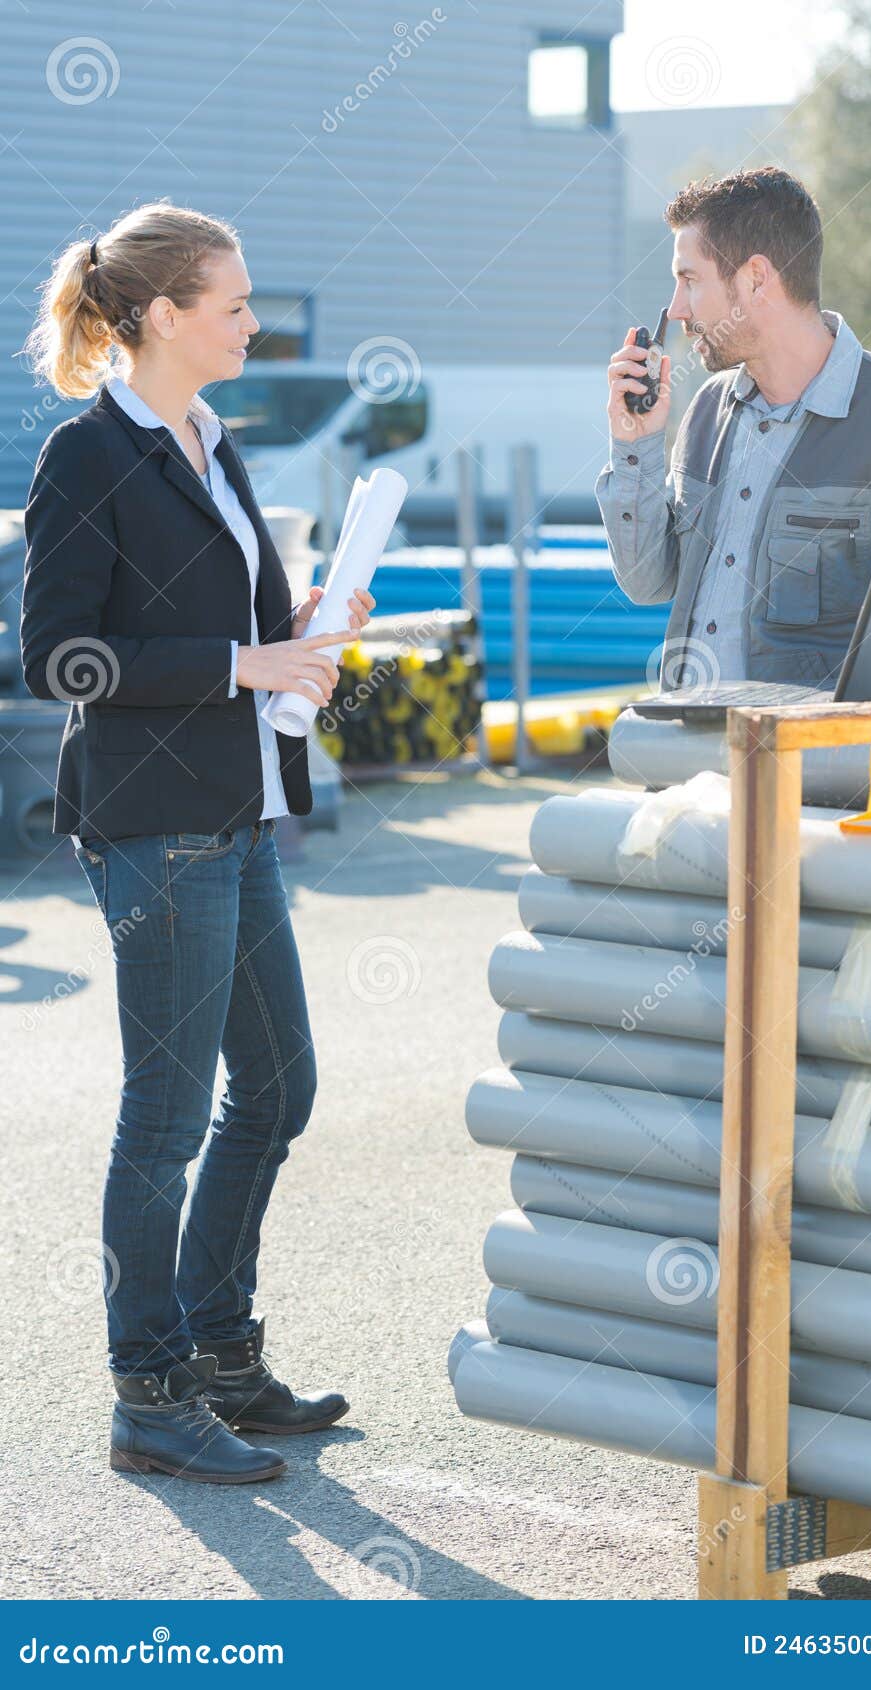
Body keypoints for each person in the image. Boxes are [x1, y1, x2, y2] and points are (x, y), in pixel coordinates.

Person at [20, 201, 374, 1484]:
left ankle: (220, 1355)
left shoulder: (212, 439)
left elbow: (251, 632)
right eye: (232, 302)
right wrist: (240, 660)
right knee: (164, 1121)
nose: (251, 319)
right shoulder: (86, 455)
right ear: (162, 316)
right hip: (153, 830)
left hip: (237, 812)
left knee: (279, 1089)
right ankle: (149, 1394)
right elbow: (57, 652)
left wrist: (309, 637)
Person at [598, 166, 871, 691]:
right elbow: (647, 581)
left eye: (689, 280)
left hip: (812, 764)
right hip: (693, 756)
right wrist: (635, 444)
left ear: (756, 279)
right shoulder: (706, 411)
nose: (675, 310)